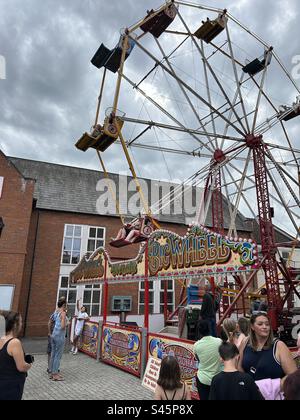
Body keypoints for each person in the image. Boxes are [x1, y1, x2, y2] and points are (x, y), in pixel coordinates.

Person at [239, 312, 297, 381]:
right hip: (249, 390)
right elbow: (239, 367)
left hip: (273, 391)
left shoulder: (279, 346)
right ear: (252, 326)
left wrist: (274, 386)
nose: (264, 327)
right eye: (260, 324)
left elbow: (293, 375)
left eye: (267, 324)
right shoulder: (245, 342)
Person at [0, 311, 32, 400]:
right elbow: (21, 367)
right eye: (21, 322)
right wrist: (29, 365)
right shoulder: (14, 342)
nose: (22, 324)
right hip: (11, 386)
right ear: (15, 325)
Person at [193, 319, 223, 400]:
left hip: (203, 378)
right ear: (209, 329)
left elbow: (198, 359)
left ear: (199, 331)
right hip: (218, 378)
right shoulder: (219, 341)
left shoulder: (196, 345)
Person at [49, 300, 67, 381]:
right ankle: (55, 374)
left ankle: (52, 372)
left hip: (53, 335)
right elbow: (63, 326)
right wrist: (67, 323)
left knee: (53, 354)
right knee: (58, 355)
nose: (66, 307)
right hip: (59, 335)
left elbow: (50, 322)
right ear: (63, 305)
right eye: (66, 305)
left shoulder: (55, 312)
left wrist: (49, 332)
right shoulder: (63, 313)